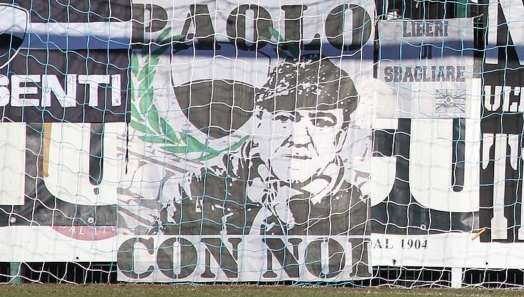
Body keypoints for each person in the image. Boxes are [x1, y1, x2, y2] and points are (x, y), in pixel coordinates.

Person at [155, 58, 369, 236]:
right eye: (284, 118)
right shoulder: (192, 191)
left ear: (340, 138)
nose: (299, 138)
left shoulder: (359, 207)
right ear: (258, 121)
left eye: (321, 122)